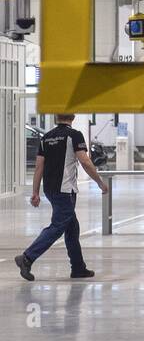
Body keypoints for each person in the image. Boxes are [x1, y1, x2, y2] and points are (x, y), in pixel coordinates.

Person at [14, 115, 107, 281]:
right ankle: (27, 258)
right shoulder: (74, 135)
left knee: (72, 228)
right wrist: (99, 182)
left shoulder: (47, 137)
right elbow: (85, 161)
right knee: (58, 226)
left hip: (50, 189)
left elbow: (38, 166)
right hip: (65, 190)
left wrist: (35, 192)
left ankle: (78, 268)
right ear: (72, 116)